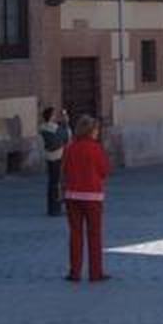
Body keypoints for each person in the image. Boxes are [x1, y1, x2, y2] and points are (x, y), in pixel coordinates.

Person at [61, 114, 111, 282]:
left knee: (75, 234)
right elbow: (104, 171)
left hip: (72, 195)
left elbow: (65, 169)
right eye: (96, 130)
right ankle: (95, 273)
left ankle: (74, 272)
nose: (97, 132)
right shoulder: (96, 148)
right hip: (92, 196)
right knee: (94, 234)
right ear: (91, 131)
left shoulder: (70, 148)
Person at [38, 106, 70, 217]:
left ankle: (51, 207)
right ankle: (56, 207)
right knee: (57, 182)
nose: (55, 116)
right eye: (54, 115)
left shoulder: (42, 127)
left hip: (48, 156)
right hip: (58, 156)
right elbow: (66, 137)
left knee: (51, 181)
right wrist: (66, 123)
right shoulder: (55, 128)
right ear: (51, 116)